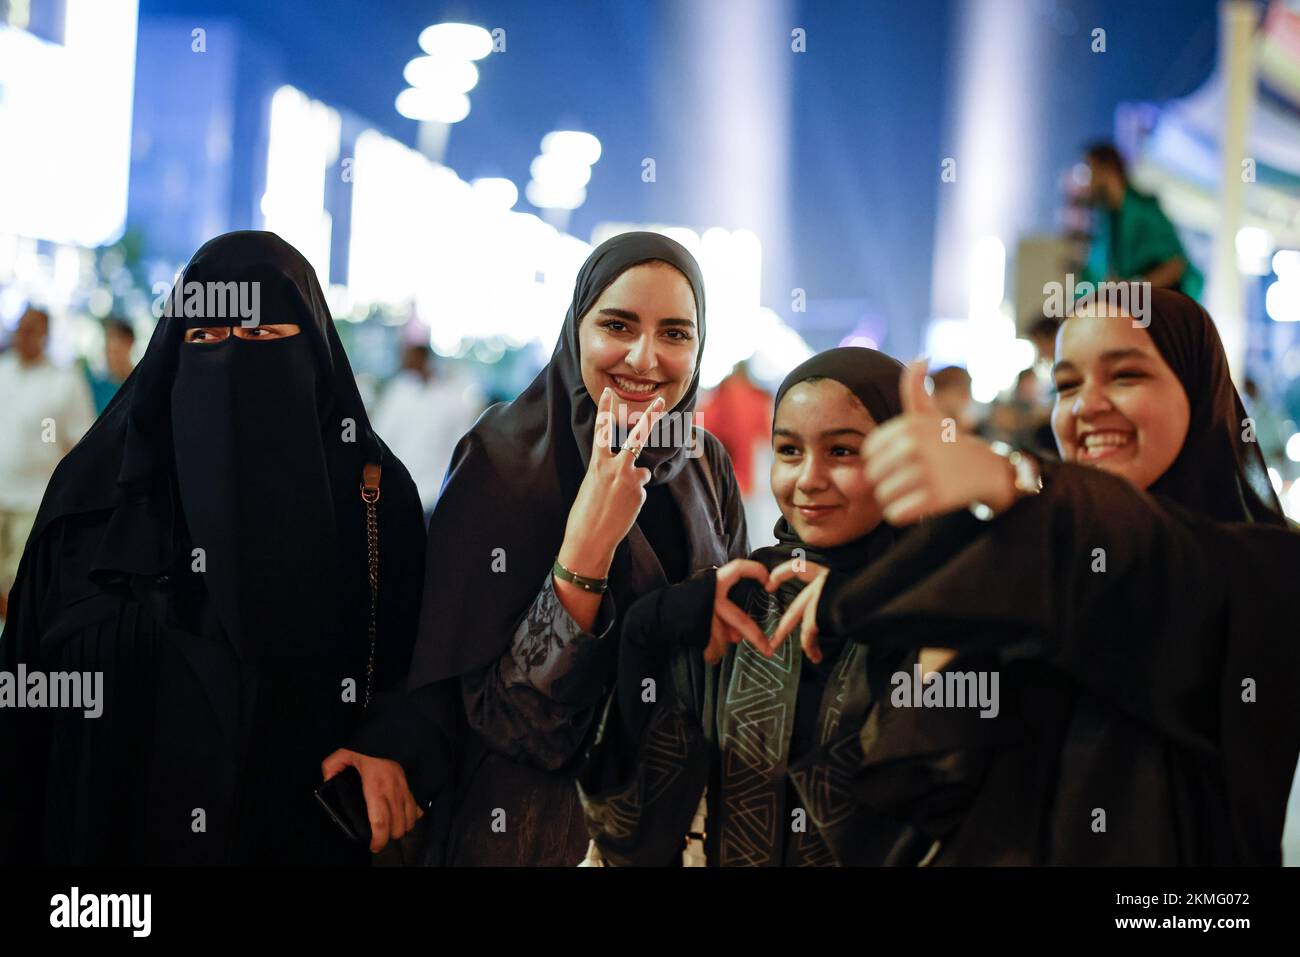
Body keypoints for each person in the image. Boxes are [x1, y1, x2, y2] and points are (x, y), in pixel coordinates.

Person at [766, 286, 1299, 865]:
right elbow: (935, 785)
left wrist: (1008, 479)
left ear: (1196, 388)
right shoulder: (1038, 566)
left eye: (1125, 376)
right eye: (1067, 385)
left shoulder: (1264, 568)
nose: (1087, 406)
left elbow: (1142, 556)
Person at [0, 231, 427, 865]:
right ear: (172, 353)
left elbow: (415, 681)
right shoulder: (90, 505)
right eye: (203, 339)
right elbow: (22, 711)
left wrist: (394, 744)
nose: (229, 361)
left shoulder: (372, 500)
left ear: (313, 349)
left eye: (260, 338)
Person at [326, 232, 749, 864]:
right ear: (576, 328)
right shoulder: (502, 463)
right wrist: (587, 552)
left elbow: (735, 662)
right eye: (618, 324)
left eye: (675, 333)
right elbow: (504, 722)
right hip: (534, 837)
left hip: (681, 833)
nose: (644, 357)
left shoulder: (703, 463)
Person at [577, 347, 931, 866]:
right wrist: (645, 632)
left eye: (842, 452)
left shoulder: (945, 608)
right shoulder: (744, 606)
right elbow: (627, 829)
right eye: (789, 451)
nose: (808, 479)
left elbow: (935, 818)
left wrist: (865, 621)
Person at [0, 307, 95, 620]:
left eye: (32, 330)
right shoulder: (2, 370)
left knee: (20, 590)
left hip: (35, 502)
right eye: (21, 328)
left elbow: (81, 446)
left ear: (45, 335)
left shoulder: (64, 381)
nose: (24, 335)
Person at [371, 342, 484, 521]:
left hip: (436, 494)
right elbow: (380, 439)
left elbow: (461, 443)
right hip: (403, 491)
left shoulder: (449, 396)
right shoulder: (398, 392)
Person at [1080, 142, 1203, 299]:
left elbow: (1175, 265)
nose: (1087, 182)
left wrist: (1132, 288)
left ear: (1107, 171)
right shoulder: (1107, 220)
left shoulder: (1145, 210)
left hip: (1160, 308)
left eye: (1090, 171)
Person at [84, 317, 137, 415]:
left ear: (130, 344)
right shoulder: (97, 387)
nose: (112, 358)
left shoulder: (140, 383)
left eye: (117, 351)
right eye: (109, 351)